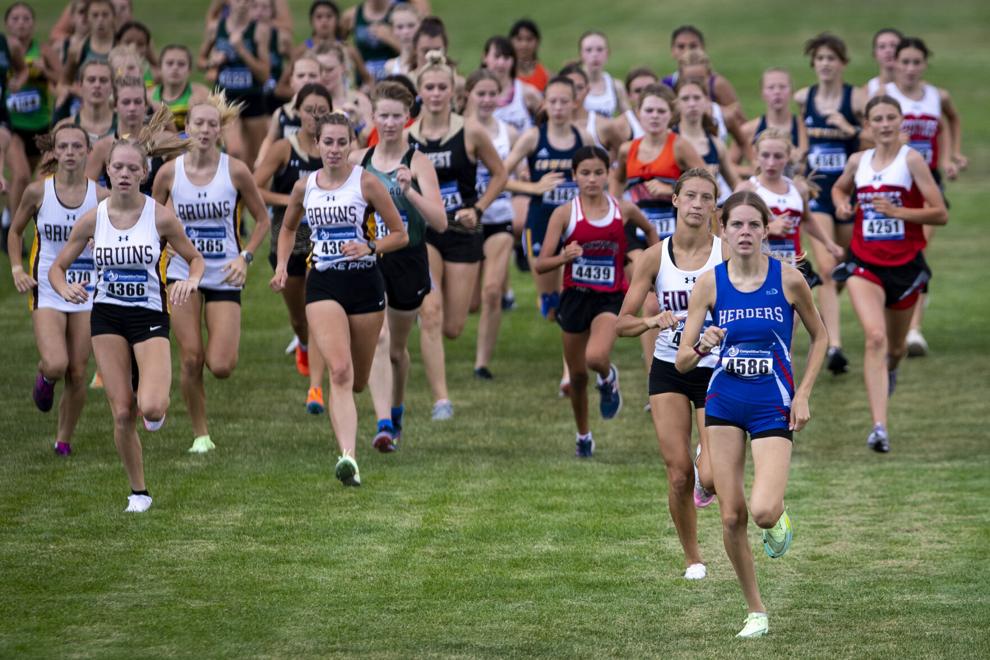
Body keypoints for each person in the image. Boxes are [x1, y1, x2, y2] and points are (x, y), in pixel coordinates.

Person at [675, 190, 828, 638]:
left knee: (761, 511)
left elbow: (821, 337)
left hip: (771, 404)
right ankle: (756, 610)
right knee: (730, 515)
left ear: (766, 230)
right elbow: (683, 360)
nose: (744, 233)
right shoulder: (710, 283)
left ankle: (777, 518)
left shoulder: (788, 279)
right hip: (723, 401)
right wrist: (703, 343)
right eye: (736, 225)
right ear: (722, 229)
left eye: (753, 225)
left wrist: (802, 394)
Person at [48, 110, 203, 512]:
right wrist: (66, 288)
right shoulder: (93, 219)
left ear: (143, 173)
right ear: (108, 170)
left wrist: (190, 281)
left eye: (132, 168)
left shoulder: (160, 216)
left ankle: (154, 402)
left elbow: (194, 259)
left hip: (149, 316)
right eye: (117, 166)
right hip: (107, 317)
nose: (123, 174)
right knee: (122, 412)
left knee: (151, 406)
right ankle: (139, 492)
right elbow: (56, 267)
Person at [270, 112, 408, 487]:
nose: (333, 149)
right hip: (324, 285)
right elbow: (287, 227)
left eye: (341, 142)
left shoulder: (367, 184)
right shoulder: (304, 187)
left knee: (358, 379)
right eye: (327, 142)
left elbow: (400, 234)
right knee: (340, 371)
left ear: (352, 145)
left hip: (365, 285)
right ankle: (348, 457)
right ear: (317, 145)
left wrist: (370, 246)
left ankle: (354, 428)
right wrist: (283, 265)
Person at [616, 168, 723, 579]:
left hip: (715, 368)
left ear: (715, 207)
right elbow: (621, 322)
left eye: (706, 198)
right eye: (690, 196)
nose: (697, 205)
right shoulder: (655, 257)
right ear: (675, 201)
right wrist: (651, 322)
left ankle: (706, 466)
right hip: (668, 370)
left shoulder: (726, 253)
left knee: (708, 476)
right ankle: (693, 557)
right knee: (678, 473)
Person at [152, 92, 271, 454]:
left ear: (221, 131)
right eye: (198, 123)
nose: (205, 130)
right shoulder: (169, 173)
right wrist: (162, 245)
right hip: (181, 273)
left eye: (212, 124)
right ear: (186, 128)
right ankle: (200, 433)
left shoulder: (234, 170)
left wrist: (245, 257)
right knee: (191, 357)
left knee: (221, 365)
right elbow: (150, 219)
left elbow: (264, 219)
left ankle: (200, 420)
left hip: (224, 275)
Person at [831, 95, 947, 453]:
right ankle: (879, 428)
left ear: (901, 122)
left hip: (905, 265)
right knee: (875, 338)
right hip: (865, 263)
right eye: (877, 118)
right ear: (867, 124)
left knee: (895, 349)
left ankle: (891, 370)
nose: (884, 124)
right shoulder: (857, 161)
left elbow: (939, 212)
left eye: (890, 117)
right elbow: (839, 187)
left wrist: (900, 213)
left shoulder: (911, 160)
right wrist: (839, 202)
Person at [537, 145, 654, 456]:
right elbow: (540, 263)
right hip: (575, 298)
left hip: (610, 298)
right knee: (576, 377)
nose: (592, 179)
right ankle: (584, 435)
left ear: (608, 174)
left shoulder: (623, 209)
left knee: (596, 358)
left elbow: (651, 230)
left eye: (598, 173)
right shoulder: (564, 214)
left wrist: (655, 271)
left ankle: (607, 377)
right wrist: (565, 256)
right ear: (574, 176)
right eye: (585, 173)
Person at [408, 52, 506, 420]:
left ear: (454, 91)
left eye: (442, 87)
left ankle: (428, 321)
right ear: (419, 91)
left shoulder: (470, 131)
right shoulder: (407, 136)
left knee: (453, 326)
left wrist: (478, 208)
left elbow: (500, 174)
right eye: (429, 87)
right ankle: (441, 400)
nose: (435, 94)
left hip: (463, 230)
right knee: (431, 313)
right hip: (426, 231)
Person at [352, 80, 446, 448]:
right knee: (380, 338)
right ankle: (384, 424)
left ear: (408, 118)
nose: (389, 123)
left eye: (396, 117)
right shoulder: (358, 160)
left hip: (409, 258)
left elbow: (439, 221)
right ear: (373, 117)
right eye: (383, 116)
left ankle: (398, 405)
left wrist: (410, 192)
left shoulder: (418, 162)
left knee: (396, 350)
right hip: (371, 257)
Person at [8, 124, 108, 455]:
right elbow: (15, 231)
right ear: (53, 152)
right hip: (48, 286)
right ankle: (46, 378)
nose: (69, 153)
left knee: (78, 372)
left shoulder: (101, 197)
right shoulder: (38, 192)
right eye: (62, 147)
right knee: (55, 363)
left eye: (76, 147)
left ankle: (63, 440)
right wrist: (17, 268)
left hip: (86, 290)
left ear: (87, 151)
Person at [611, 83, 705, 379]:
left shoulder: (678, 146)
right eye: (648, 110)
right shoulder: (629, 149)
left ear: (671, 115)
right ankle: (657, 375)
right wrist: (619, 209)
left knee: (680, 299)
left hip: (673, 232)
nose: (654, 116)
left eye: (660, 111)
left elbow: (704, 181)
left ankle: (689, 357)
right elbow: (616, 182)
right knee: (650, 301)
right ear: (639, 113)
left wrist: (670, 190)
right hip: (637, 234)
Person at [884, 36, 966, 356]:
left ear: (924, 64)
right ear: (895, 64)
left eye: (916, 62)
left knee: (918, 250)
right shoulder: (884, 95)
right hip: (894, 184)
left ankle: (914, 330)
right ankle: (895, 318)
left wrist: (951, 156)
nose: (910, 68)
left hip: (928, 185)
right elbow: (866, 132)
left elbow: (952, 120)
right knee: (894, 251)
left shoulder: (936, 96)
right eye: (904, 62)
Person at [253, 83, 332, 409]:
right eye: (309, 110)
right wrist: (295, 200)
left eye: (321, 110)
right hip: (288, 238)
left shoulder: (334, 149)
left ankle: (316, 389)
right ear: (296, 112)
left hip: (324, 242)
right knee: (300, 318)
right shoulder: (284, 149)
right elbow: (255, 188)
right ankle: (300, 341)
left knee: (316, 316)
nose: (315, 116)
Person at [794, 32, 867, 376]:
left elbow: (874, 138)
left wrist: (849, 128)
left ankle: (828, 319)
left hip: (848, 192)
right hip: (817, 194)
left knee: (845, 264)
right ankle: (834, 345)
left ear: (842, 63)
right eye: (820, 58)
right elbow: (804, 142)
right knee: (824, 267)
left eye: (831, 58)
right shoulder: (803, 97)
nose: (825, 64)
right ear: (814, 63)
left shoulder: (856, 98)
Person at [463, 69, 518, 379]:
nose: (486, 100)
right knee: (469, 303)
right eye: (480, 93)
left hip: (499, 217)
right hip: (466, 221)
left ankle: (481, 363)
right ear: (469, 94)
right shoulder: (459, 131)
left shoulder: (508, 132)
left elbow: (514, 177)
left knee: (493, 291)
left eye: (491, 94)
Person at [735, 128, 843, 285]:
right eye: (765, 155)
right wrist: (769, 229)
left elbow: (807, 219)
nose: (771, 162)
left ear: (788, 157)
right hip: (757, 272)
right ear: (756, 155)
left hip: (792, 268)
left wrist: (829, 244)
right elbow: (729, 233)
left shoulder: (798, 189)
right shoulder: (747, 189)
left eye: (778, 156)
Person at [199, 0, 271, 166]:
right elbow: (200, 62)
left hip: (253, 97)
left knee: (255, 158)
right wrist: (212, 62)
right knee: (236, 151)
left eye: (247, 1)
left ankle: (249, 190)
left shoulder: (259, 30)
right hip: (226, 98)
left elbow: (265, 75)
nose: (242, 4)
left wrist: (241, 51)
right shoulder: (216, 27)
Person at [674, 78, 739, 204]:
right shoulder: (668, 141)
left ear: (707, 101)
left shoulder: (716, 144)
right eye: (685, 99)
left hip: (709, 214)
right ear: (676, 103)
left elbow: (735, 182)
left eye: (697, 98)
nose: (692, 103)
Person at [255, 52, 323, 165]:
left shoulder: (330, 113)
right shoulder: (281, 113)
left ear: (321, 79)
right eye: (301, 76)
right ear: (291, 81)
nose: (306, 80)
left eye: (312, 75)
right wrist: (261, 158)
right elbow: (270, 139)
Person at [738, 68, 807, 175]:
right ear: (762, 93)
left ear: (792, 92)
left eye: (782, 87)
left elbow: (809, 166)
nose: (777, 92)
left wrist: (797, 164)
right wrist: (752, 170)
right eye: (771, 87)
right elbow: (728, 165)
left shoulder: (804, 127)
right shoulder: (748, 130)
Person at [481, 35, 540, 134]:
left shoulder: (528, 92)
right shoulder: (474, 94)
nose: (501, 63)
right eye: (497, 56)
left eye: (506, 57)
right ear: (485, 58)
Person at [151, 45, 210, 134]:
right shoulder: (149, 95)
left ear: (189, 70)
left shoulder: (202, 94)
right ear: (160, 68)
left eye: (181, 64)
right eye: (169, 63)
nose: (175, 68)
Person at [341, 0, 399, 82]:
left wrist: (390, 39)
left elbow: (412, 53)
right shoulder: (352, 15)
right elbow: (338, 46)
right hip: (364, 83)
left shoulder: (399, 12)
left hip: (393, 82)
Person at [577, 30, 628, 118]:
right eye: (588, 50)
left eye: (600, 49)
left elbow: (629, 120)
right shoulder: (572, 85)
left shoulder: (616, 86)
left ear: (607, 53)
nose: (594, 54)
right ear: (581, 54)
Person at [508, 18, 548, 92]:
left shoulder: (546, 76)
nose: (524, 45)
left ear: (537, 42)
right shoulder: (505, 75)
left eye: (529, 39)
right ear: (510, 41)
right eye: (519, 39)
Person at [381, 3, 419, 79]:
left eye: (411, 25)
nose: (406, 32)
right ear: (392, 30)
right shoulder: (389, 66)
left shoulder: (426, 62)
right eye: (400, 27)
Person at [864, 28, 903, 97]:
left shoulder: (923, 89)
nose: (888, 50)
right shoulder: (867, 91)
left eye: (893, 45)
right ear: (874, 54)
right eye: (882, 47)